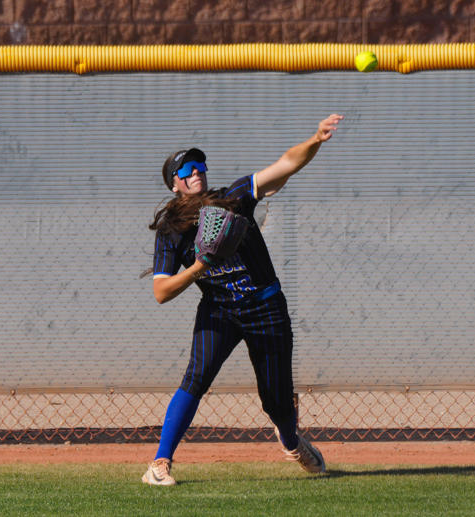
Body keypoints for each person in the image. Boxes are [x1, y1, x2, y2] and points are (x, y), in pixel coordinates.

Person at [141, 114, 344, 486]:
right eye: (186, 168)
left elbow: (286, 164)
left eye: (199, 164)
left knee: (276, 400)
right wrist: (200, 267)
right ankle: (159, 463)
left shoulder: (232, 199)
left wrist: (315, 138)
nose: (196, 171)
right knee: (196, 378)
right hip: (219, 309)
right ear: (174, 183)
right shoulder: (172, 230)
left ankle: (291, 441)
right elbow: (161, 292)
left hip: (265, 306)